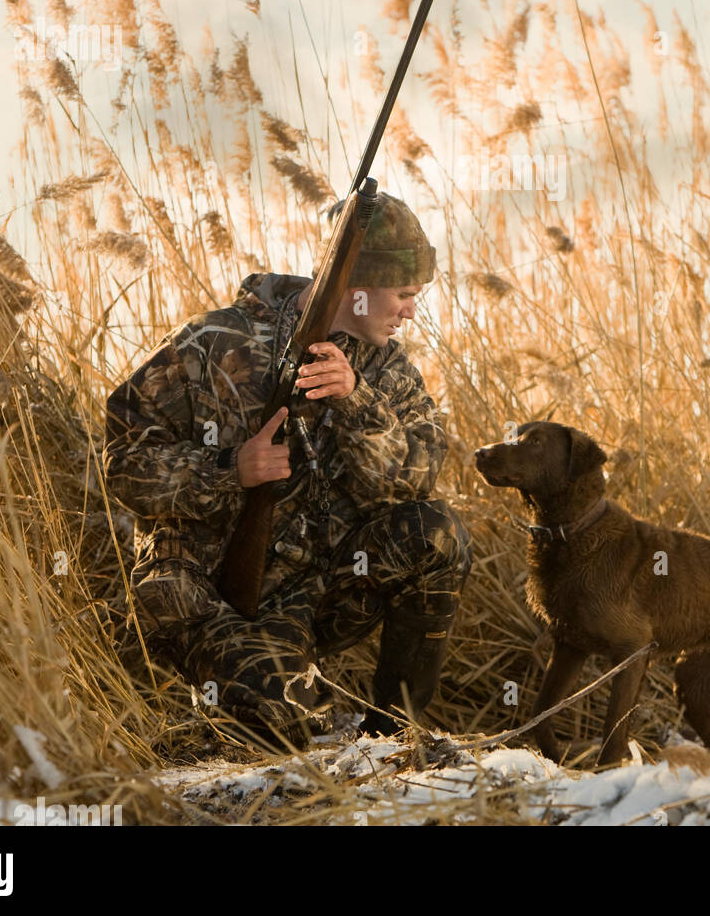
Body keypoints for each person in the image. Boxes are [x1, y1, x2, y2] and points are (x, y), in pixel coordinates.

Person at [102, 193, 470, 745]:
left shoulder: (386, 370)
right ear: (359, 289)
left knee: (438, 536)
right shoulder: (211, 343)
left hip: (309, 592)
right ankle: (229, 710)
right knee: (282, 723)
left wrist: (357, 402)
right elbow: (123, 464)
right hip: (201, 592)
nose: (411, 312)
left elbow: (412, 482)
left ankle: (396, 737)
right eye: (404, 295)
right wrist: (229, 470)